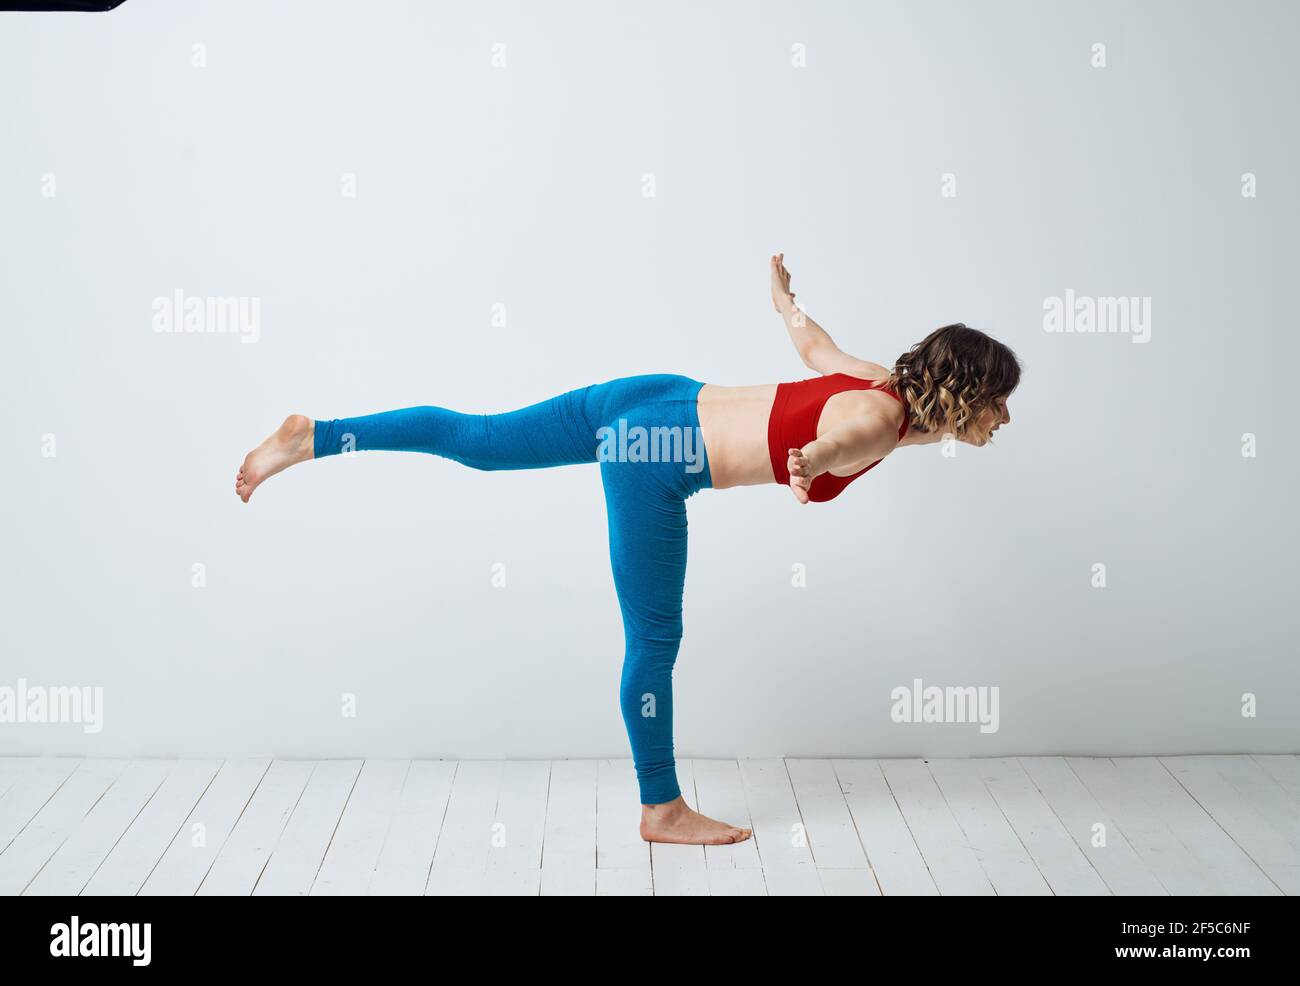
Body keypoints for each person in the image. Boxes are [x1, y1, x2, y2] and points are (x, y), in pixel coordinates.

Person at [235, 254, 1021, 845]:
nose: (1004, 421)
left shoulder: (879, 381)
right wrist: (810, 462)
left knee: (477, 438)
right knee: (654, 640)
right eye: (999, 405)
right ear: (965, 397)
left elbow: (813, 347)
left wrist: (786, 302)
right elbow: (842, 438)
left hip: (651, 395)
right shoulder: (878, 422)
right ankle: (661, 807)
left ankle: (319, 437)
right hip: (659, 454)